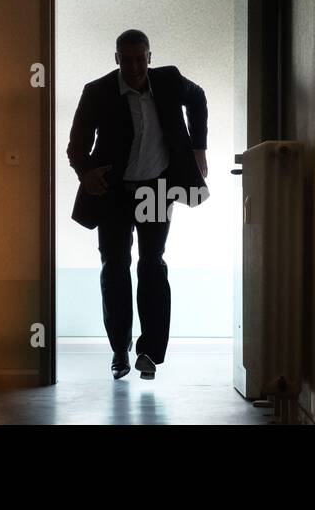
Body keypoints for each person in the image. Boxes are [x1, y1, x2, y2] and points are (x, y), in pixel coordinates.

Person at [65, 29, 209, 380]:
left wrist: (198, 148)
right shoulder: (97, 92)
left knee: (151, 263)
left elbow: (198, 98)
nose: (134, 67)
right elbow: (76, 147)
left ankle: (150, 351)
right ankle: (119, 351)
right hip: (114, 192)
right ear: (116, 59)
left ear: (149, 57)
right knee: (114, 265)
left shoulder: (170, 80)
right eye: (126, 59)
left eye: (140, 59)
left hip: (155, 188)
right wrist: (86, 173)